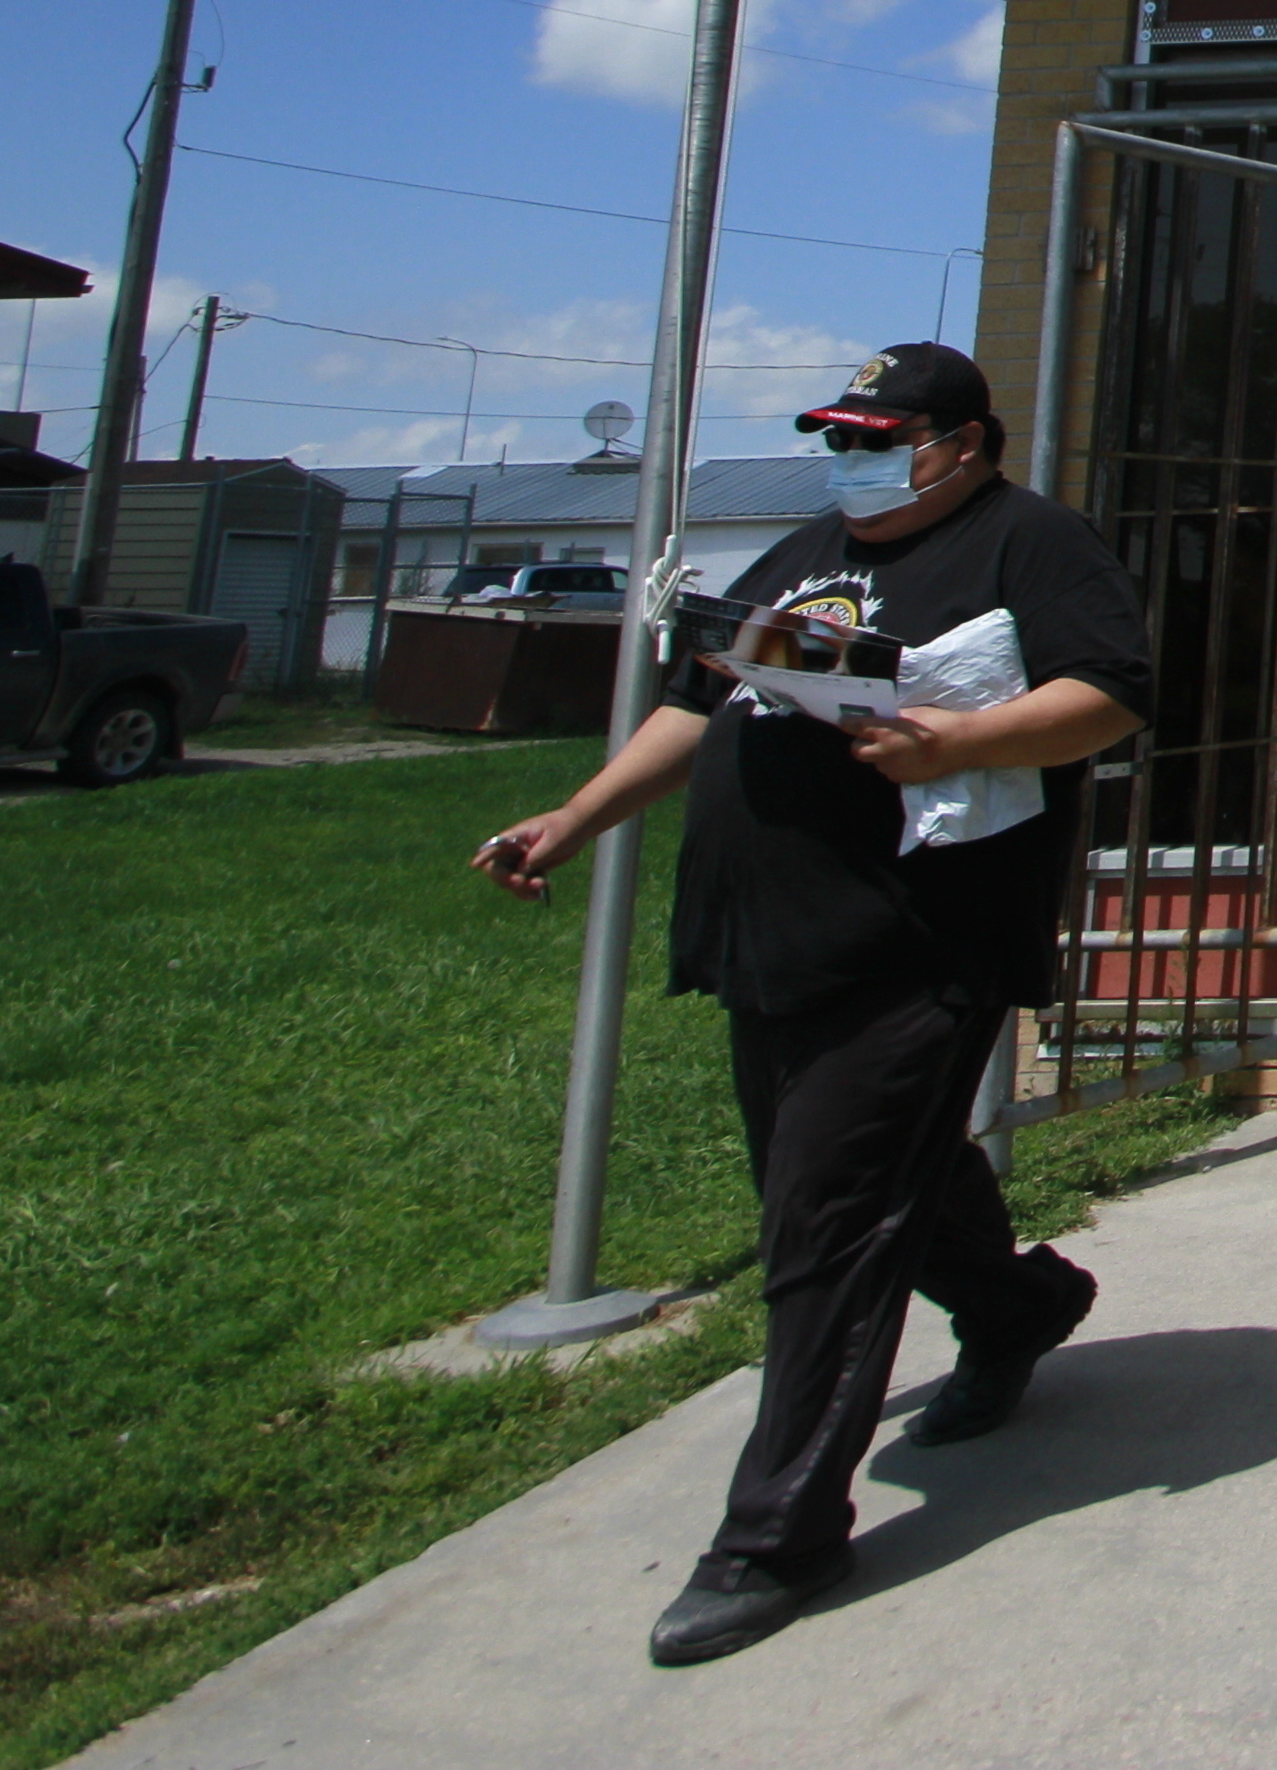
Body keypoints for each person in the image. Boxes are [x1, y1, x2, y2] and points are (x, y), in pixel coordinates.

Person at [473, 342, 1153, 1667]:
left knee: (827, 1220)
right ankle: (1015, 1310)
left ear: (963, 443)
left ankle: (773, 1538)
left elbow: (1108, 698)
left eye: (877, 434)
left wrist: (956, 742)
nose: (854, 457)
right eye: (840, 434)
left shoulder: (1029, 543)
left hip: (918, 934)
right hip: (771, 935)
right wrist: (575, 818)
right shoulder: (804, 551)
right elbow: (704, 701)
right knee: (856, 1174)